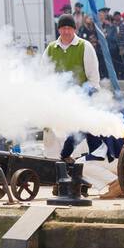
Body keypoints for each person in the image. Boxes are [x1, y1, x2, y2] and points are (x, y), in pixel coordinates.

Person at [44, 13, 102, 161]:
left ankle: (76, 161)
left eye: (69, 28)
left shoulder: (84, 46)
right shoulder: (51, 49)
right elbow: (44, 75)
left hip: (81, 100)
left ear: (74, 29)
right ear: (59, 30)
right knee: (55, 133)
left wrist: (89, 97)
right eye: (63, 28)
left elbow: (93, 78)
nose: (66, 31)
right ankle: (55, 162)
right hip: (58, 100)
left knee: (80, 131)